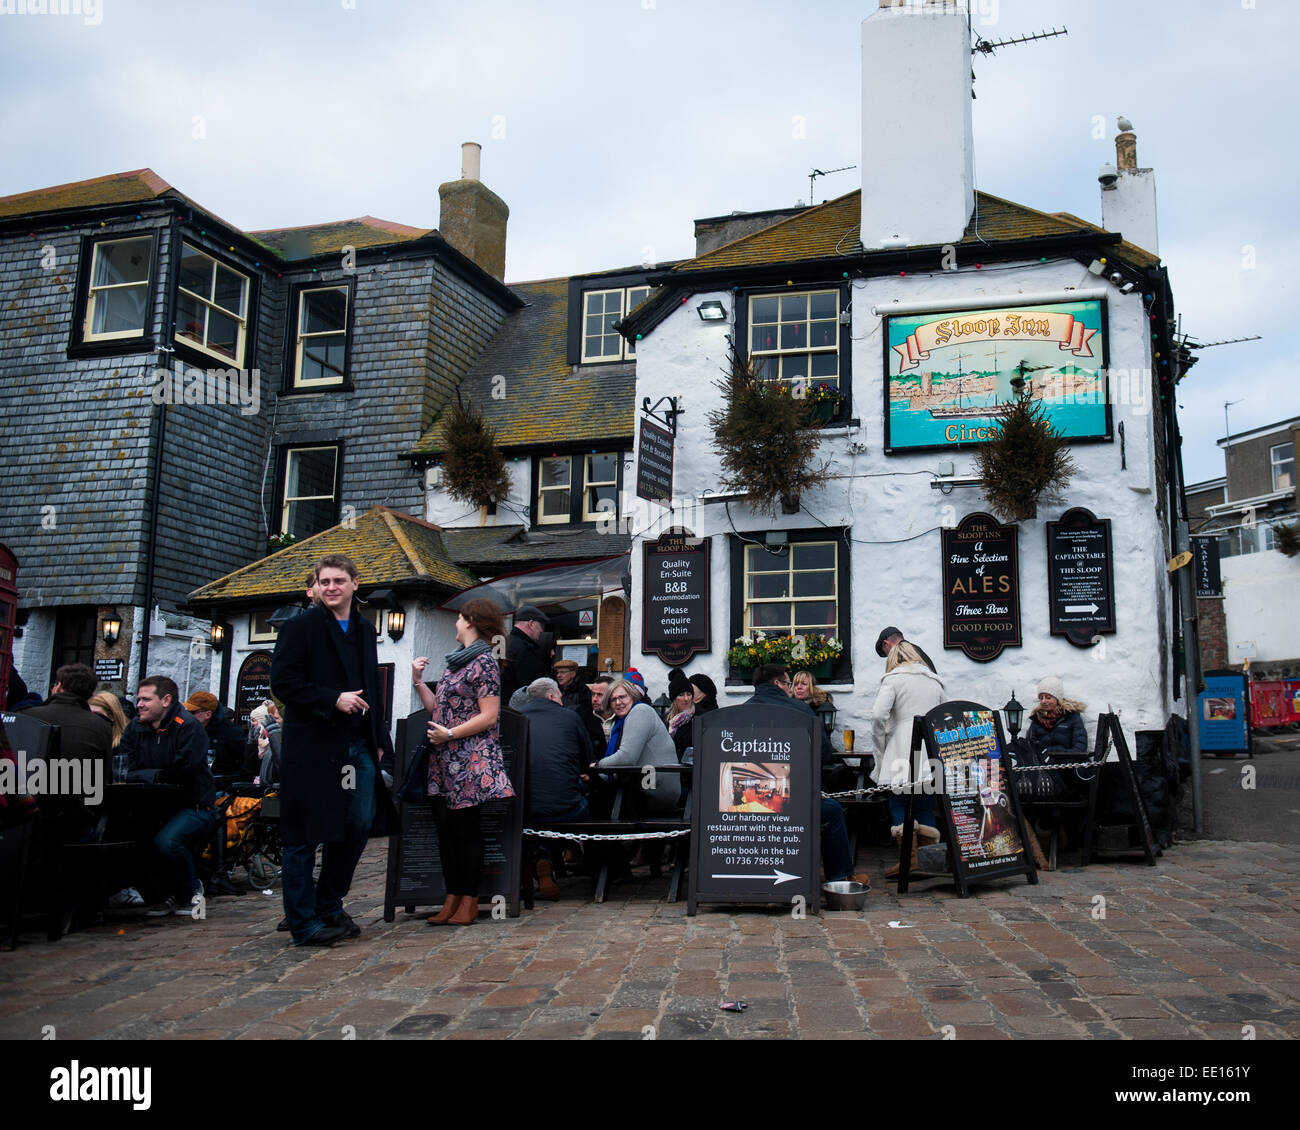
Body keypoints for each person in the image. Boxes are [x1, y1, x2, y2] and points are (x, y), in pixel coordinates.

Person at [271, 554, 397, 947]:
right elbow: (283, 684)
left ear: (354, 584)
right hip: (312, 747)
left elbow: (373, 692)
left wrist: (379, 743)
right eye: (324, 581)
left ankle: (329, 903)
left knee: (359, 822)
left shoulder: (363, 629)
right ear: (316, 586)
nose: (330, 587)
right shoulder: (300, 627)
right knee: (304, 834)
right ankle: (303, 923)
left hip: (356, 745)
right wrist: (332, 699)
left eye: (338, 580)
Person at [412, 598, 514, 927]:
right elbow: (439, 711)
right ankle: (451, 897)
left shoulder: (484, 661)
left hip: (468, 760)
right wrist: (418, 681)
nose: (455, 623)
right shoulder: (456, 663)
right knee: (446, 831)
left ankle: (469, 901)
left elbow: (490, 715)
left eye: (458, 617)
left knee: (466, 832)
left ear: (469, 620)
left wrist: (451, 733)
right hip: (444, 759)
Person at [746, 664, 867, 888]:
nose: (790, 688)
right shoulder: (800, 712)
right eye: (787, 683)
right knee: (832, 811)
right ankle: (839, 877)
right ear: (777, 684)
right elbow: (824, 756)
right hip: (790, 803)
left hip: (747, 804)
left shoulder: (741, 714)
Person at [119, 675, 218, 918]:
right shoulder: (136, 727)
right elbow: (124, 765)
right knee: (131, 838)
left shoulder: (187, 727)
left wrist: (147, 774)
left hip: (193, 804)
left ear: (165, 700)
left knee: (168, 841)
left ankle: (190, 892)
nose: (139, 704)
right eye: (138, 699)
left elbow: (183, 772)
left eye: (145, 699)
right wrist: (157, 775)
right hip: (154, 803)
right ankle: (162, 895)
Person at [870, 641, 947, 878]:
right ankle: (929, 860)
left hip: (902, 745)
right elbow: (943, 715)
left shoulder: (893, 679)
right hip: (929, 746)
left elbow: (878, 716)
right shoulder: (934, 681)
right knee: (924, 802)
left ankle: (909, 860)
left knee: (899, 802)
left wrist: (881, 747)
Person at [17, 663, 113, 838]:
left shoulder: (26, 715)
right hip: (74, 821)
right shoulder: (101, 726)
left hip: (26, 816)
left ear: (58, 686)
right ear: (90, 694)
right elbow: (101, 780)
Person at [518, 676, 592, 899]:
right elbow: (588, 760)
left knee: (538, 816)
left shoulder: (517, 719)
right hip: (565, 807)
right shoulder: (570, 716)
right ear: (552, 696)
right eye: (560, 696)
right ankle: (592, 867)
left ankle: (542, 860)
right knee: (584, 805)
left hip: (523, 809)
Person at [594, 677, 681, 812]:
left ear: (632, 696)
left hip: (653, 787)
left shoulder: (640, 711)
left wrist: (598, 766)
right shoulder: (620, 722)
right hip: (643, 782)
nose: (618, 702)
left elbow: (626, 757)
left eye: (622, 697)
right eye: (613, 699)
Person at [183, 691, 248, 778]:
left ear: (207, 714)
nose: (187, 715)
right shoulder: (189, 730)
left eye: (192, 712)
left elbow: (244, 763)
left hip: (220, 786)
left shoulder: (231, 733)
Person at [1026, 677, 1088, 756]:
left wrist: (1061, 756)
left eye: (1048, 697)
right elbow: (1030, 747)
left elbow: (1080, 747)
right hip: (1043, 766)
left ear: (1057, 698)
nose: (1044, 701)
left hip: (1068, 765)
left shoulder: (1071, 717)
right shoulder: (1037, 719)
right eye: (1041, 698)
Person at [500, 605, 550, 703]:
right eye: (541, 626)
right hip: (518, 710)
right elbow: (533, 687)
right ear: (531, 624)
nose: (541, 631)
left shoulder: (503, 643)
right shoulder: (525, 649)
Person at [554, 658, 606, 750]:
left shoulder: (582, 690)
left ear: (573, 674)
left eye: (562, 672)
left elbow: (586, 711)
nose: (559, 675)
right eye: (557, 673)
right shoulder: (555, 690)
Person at [665, 667, 696, 760]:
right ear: (674, 698)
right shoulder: (666, 720)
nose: (686, 699)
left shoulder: (699, 717)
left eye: (689, 694)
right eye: (681, 695)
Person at [590, 673, 616, 742]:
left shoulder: (622, 718)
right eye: (593, 694)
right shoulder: (585, 718)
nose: (594, 699)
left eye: (600, 695)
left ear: (612, 695)